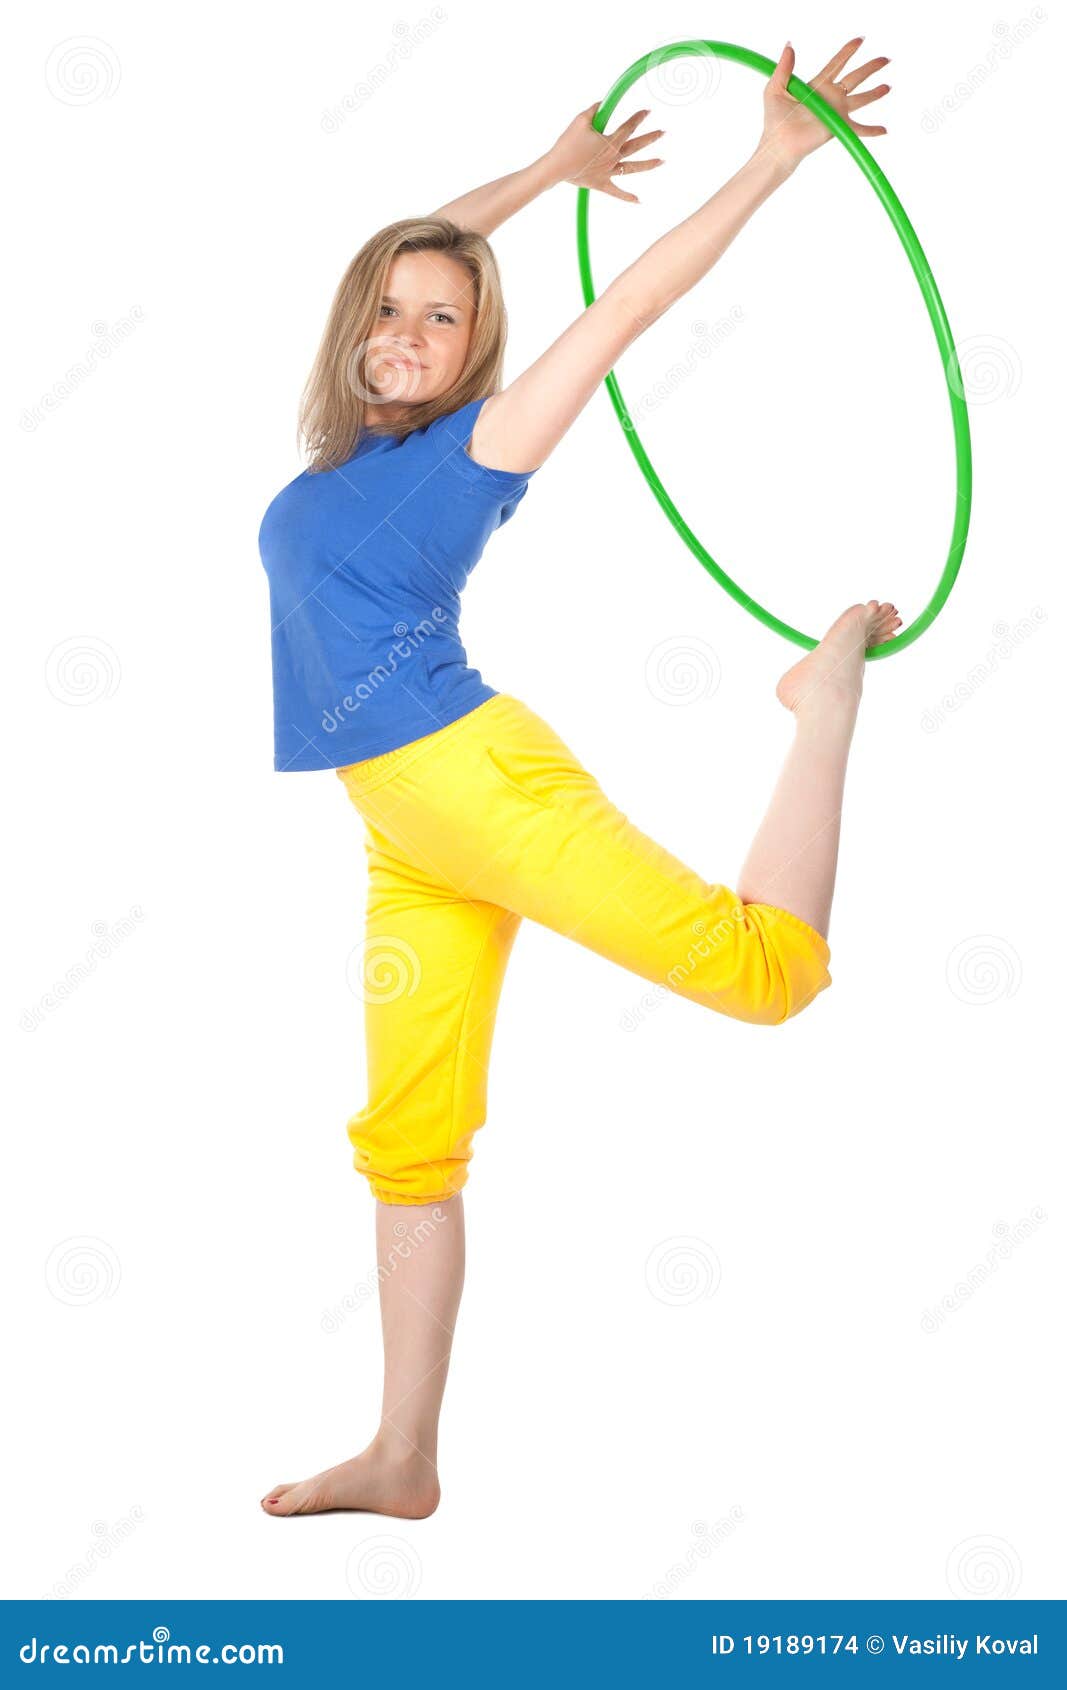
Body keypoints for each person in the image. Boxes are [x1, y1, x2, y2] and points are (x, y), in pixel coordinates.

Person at [259, 38, 895, 1517]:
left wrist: (769, 159)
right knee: (409, 1147)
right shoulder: (352, 451)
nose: (410, 330)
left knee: (767, 975)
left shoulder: (476, 449)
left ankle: (825, 697)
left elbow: (628, 307)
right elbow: (430, 241)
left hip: (479, 783)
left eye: (444, 318)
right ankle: (404, 1457)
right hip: (404, 827)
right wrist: (553, 172)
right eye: (392, 309)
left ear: (477, 348)